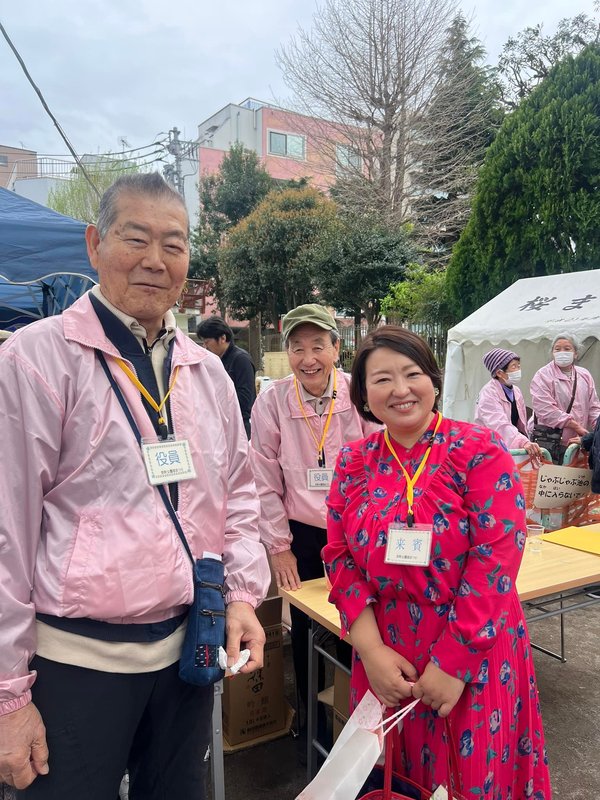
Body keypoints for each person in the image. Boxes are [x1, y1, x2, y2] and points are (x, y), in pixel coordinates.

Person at [0, 174, 270, 800]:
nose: (155, 260)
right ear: (95, 244)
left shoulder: (208, 373)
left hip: (187, 656)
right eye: (136, 238)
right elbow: (7, 534)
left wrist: (240, 596)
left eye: (173, 244)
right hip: (74, 665)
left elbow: (238, 496)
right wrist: (9, 696)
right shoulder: (37, 361)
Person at [323, 325, 551, 798]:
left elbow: (496, 560)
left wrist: (453, 664)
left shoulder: (479, 451)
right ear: (364, 394)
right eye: (382, 379)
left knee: (469, 776)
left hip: (473, 652)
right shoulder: (352, 462)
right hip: (387, 654)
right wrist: (371, 651)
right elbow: (340, 557)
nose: (401, 390)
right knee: (395, 780)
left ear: (433, 378)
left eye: (412, 374)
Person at [250, 303, 377, 747]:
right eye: (298, 347)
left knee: (358, 621)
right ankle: (310, 723)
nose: (308, 358)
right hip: (302, 534)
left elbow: (380, 459)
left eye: (318, 346)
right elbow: (263, 477)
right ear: (287, 352)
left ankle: (355, 722)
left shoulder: (358, 395)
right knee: (305, 626)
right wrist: (278, 545)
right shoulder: (272, 400)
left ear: (336, 349)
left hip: (356, 531)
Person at [530, 333, 600, 450]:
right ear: (552, 353)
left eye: (567, 349)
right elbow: (545, 409)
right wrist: (575, 426)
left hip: (578, 440)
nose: (562, 352)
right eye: (557, 349)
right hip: (551, 440)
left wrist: (597, 429)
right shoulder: (542, 375)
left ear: (576, 354)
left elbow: (594, 407)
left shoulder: (584, 375)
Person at [475, 347, 543, 458]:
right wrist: (522, 442)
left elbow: (520, 423)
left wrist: (525, 439)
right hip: (491, 449)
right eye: (514, 366)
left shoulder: (516, 391)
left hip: (511, 447)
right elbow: (499, 424)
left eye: (519, 366)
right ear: (499, 373)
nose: (518, 370)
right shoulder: (488, 393)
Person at [197, 316, 256, 438]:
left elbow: (245, 399)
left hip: (238, 427)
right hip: (220, 425)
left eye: (207, 342)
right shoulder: (215, 361)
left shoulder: (241, 359)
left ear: (222, 338)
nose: (205, 347)